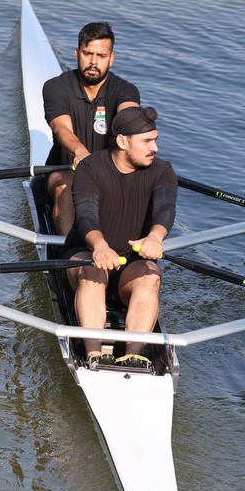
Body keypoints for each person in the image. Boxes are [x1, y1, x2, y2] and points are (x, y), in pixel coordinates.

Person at [61, 106, 177, 371]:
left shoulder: (163, 171)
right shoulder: (91, 168)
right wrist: (99, 246)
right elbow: (86, 214)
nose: (155, 148)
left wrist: (155, 237)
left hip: (131, 265)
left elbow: (165, 209)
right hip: (85, 255)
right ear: (123, 141)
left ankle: (133, 356)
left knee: (151, 276)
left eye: (155, 140)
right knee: (94, 274)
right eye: (147, 141)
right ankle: (93, 354)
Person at [43, 21, 140, 236]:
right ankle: (69, 256)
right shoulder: (56, 87)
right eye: (88, 53)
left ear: (111, 59)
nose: (93, 62)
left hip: (108, 179)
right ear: (77, 53)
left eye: (101, 56)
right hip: (63, 172)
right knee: (67, 183)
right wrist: (80, 151)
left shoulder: (125, 91)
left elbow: (130, 118)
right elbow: (61, 129)